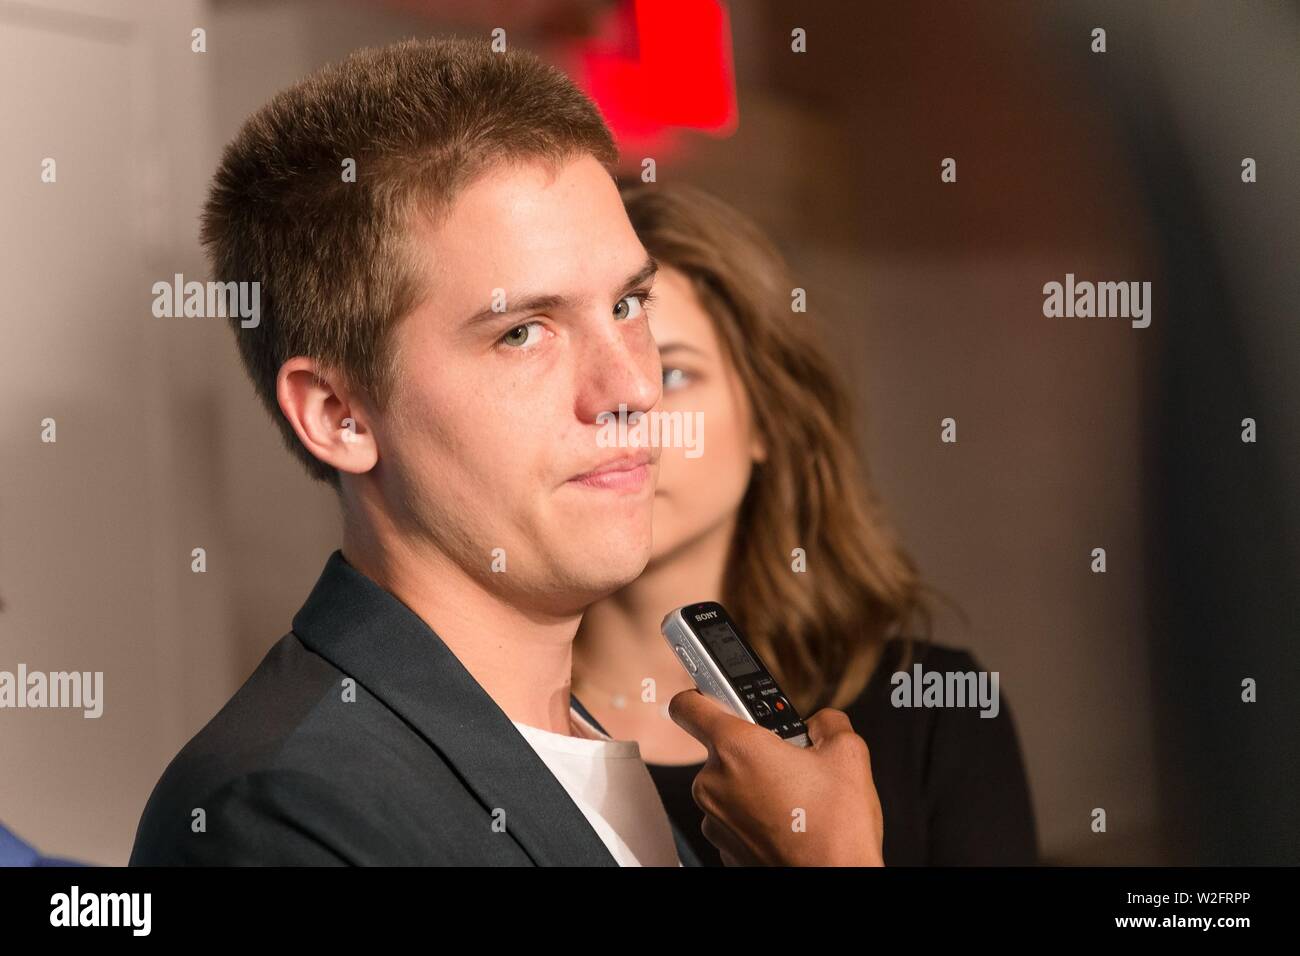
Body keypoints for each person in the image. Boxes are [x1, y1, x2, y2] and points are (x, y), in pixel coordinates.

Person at [130, 37, 885, 867]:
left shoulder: (648, 777)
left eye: (629, 304)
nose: (631, 387)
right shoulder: (276, 815)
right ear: (339, 414)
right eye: (524, 332)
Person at [573, 183, 1040, 865]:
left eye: (673, 375)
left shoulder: (937, 713)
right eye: (595, 379)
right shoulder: (492, 739)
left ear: (765, 418)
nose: (629, 414)